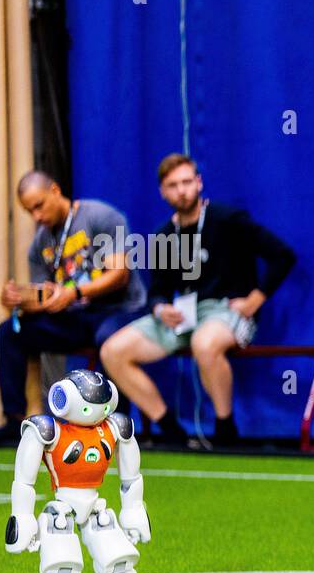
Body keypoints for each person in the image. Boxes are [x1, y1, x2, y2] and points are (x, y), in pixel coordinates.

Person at [100, 154, 296, 447]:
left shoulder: (229, 220)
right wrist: (160, 307)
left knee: (204, 344)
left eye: (187, 182)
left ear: (199, 183)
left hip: (226, 311)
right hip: (184, 315)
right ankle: (171, 430)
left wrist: (255, 300)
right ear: (162, 192)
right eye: (173, 185)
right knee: (112, 351)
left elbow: (283, 256)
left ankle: (225, 430)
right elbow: (159, 289)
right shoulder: (164, 235)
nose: (182, 190)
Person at [0, 172, 146, 448]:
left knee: (107, 338)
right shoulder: (40, 244)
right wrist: (21, 299)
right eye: (30, 211)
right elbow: (47, 297)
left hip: (119, 310)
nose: (37, 216)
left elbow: (119, 275)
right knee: (10, 332)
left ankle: (113, 424)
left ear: (55, 190)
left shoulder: (102, 216)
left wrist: (73, 292)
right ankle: (14, 422)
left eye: (39, 205)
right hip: (75, 317)